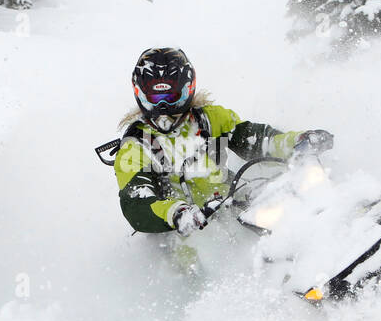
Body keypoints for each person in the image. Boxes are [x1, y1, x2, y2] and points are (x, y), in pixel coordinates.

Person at [114, 48, 333, 236]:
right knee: (195, 258)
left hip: (232, 204)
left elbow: (256, 139)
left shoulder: (209, 119)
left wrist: (298, 141)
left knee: (287, 207)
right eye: (155, 98)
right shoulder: (135, 146)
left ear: (187, 89)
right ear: (140, 94)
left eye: (171, 97)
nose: (163, 108)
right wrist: (177, 214)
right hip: (182, 231)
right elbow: (136, 202)